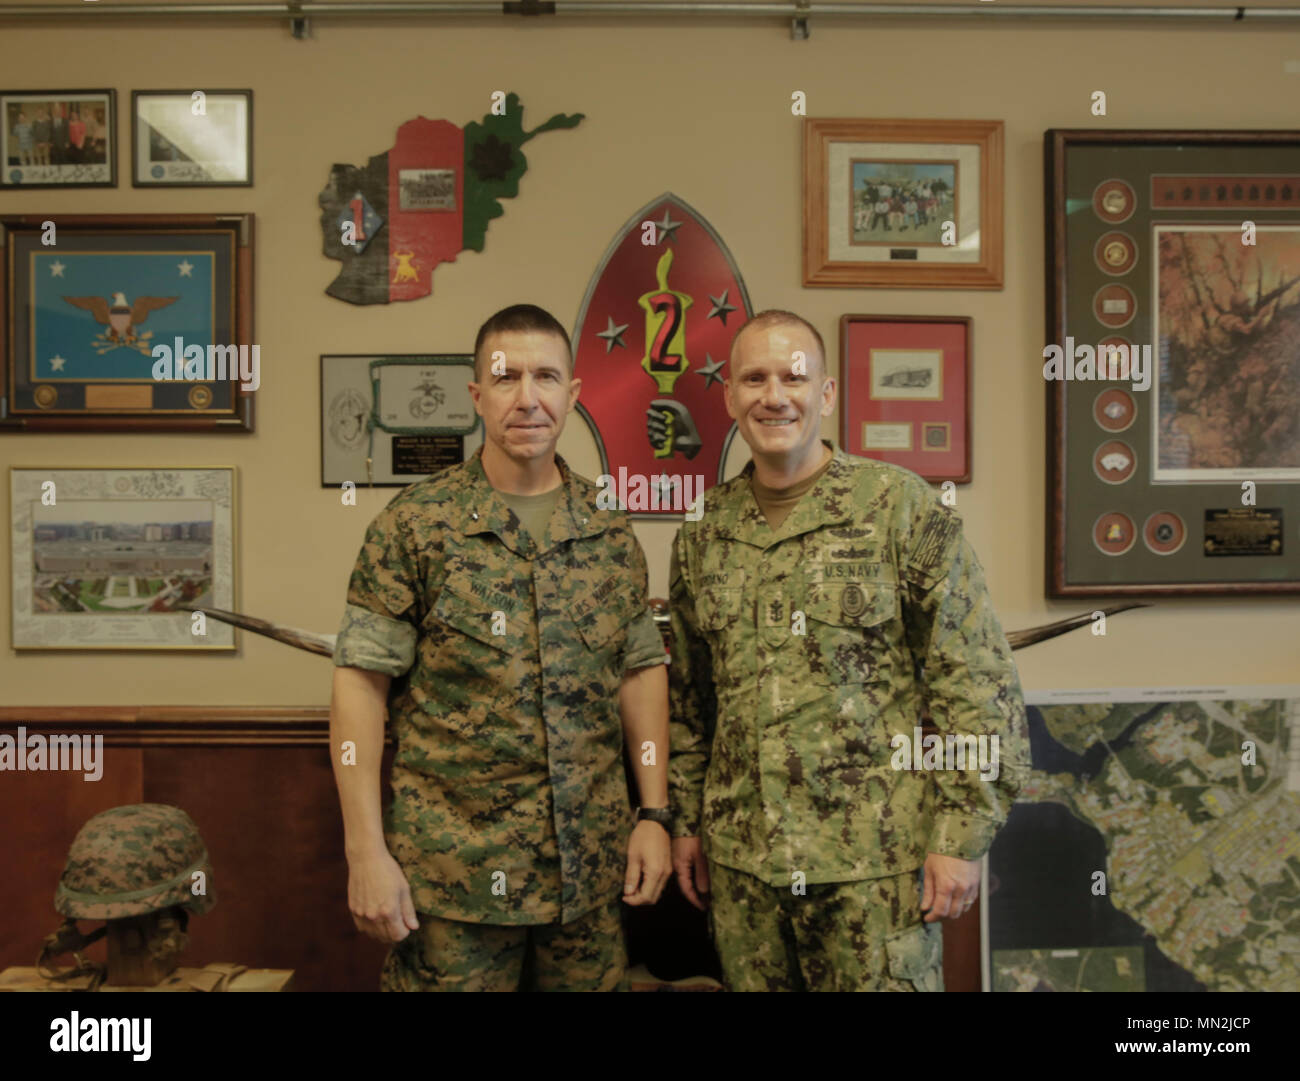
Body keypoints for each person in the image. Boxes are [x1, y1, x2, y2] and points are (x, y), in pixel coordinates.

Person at [667, 310, 1028, 992]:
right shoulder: (704, 532)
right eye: (755, 378)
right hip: (745, 867)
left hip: (873, 867)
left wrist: (961, 832)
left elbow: (975, 676)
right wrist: (687, 821)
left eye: (794, 377)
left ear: (826, 394)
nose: (775, 395)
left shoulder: (899, 508)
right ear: (731, 397)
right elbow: (689, 699)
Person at [329, 303, 672, 991]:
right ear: (475, 395)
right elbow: (359, 689)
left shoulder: (609, 536)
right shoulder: (416, 526)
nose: (527, 397)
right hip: (454, 884)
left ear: (572, 396)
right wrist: (363, 847)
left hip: (587, 878)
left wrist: (656, 813)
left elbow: (640, 675)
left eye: (545, 377)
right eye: (505, 376)